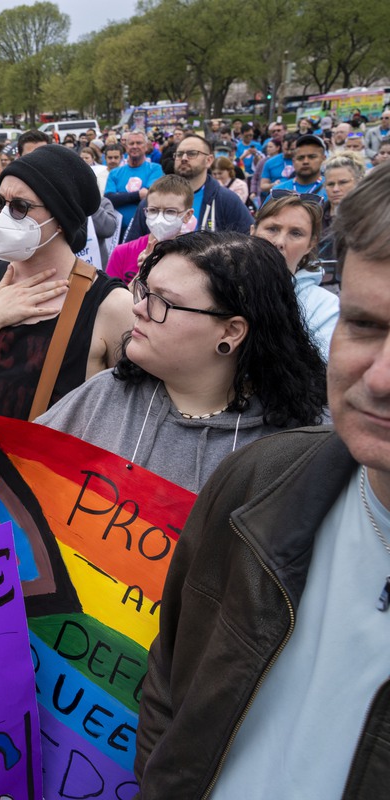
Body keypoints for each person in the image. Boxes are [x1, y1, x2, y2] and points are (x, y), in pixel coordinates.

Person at [134, 165, 390, 800]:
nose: (380, 377)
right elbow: (170, 678)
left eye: (165, 301)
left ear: (233, 333)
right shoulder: (257, 481)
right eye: (364, 325)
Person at [40, 232, 327, 491]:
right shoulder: (104, 393)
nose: (138, 308)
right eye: (144, 291)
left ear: (230, 331)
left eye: (163, 301)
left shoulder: (295, 446)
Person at [0, 145, 134, 439]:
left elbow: (127, 418)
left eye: (20, 207)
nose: (4, 217)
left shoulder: (111, 304)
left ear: (61, 217)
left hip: (56, 466)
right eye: (0, 203)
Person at [251, 193, 338, 359]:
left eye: (296, 233)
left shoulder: (326, 307)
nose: (279, 242)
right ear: (252, 232)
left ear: (311, 244)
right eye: (272, 229)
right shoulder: (222, 288)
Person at [124, 134, 254, 242]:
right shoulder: (153, 201)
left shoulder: (226, 200)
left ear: (209, 160)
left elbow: (250, 241)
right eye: (179, 154)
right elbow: (130, 246)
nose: (184, 158)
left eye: (192, 153)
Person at [107, 175, 194, 285]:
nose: (160, 218)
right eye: (153, 210)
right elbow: (110, 295)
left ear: (187, 215)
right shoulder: (123, 252)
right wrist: (143, 273)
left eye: (170, 211)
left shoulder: (194, 257)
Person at [106, 131, 164, 232]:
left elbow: (150, 196)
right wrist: (138, 195)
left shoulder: (155, 169)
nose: (135, 146)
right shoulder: (114, 173)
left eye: (139, 143)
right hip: (119, 231)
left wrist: (120, 196)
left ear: (146, 147)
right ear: (126, 147)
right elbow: (109, 199)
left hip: (146, 229)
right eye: (131, 143)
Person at [271, 133, 328, 199]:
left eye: (312, 157)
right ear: (293, 161)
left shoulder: (332, 189)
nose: (305, 162)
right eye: (300, 158)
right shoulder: (278, 191)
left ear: (323, 159)